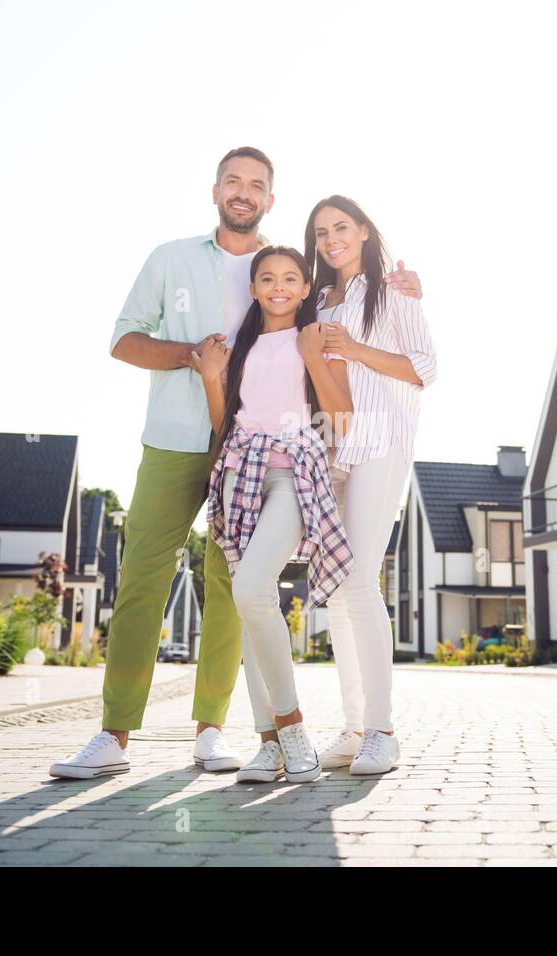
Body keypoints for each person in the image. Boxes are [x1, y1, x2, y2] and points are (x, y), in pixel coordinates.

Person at [49, 150, 421, 779]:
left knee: (240, 589)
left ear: (271, 200)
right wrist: (199, 360)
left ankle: (226, 732)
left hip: (280, 464)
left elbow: (356, 337)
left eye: (257, 185)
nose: (244, 192)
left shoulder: (303, 280)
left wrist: (405, 288)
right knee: (145, 573)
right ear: (215, 189)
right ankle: (116, 736)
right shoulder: (174, 259)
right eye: (234, 182)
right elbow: (127, 342)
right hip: (186, 442)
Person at [193, 246, 353, 784]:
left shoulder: (318, 337)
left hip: (291, 474)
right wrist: (212, 378)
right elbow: (225, 425)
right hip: (240, 474)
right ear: (254, 288)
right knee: (251, 605)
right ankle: (269, 744)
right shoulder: (240, 345)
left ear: (306, 288)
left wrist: (311, 356)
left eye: (290, 278)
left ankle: (291, 725)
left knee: (251, 589)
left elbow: (341, 419)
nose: (279, 286)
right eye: (267, 278)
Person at [304, 195, 438, 775]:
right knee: (336, 587)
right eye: (320, 232)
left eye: (341, 227)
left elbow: (424, 368)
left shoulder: (394, 289)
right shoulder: (317, 297)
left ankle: (383, 729)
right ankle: (355, 727)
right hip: (324, 443)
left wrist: (354, 349)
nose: (331, 239)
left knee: (359, 579)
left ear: (363, 230)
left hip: (380, 441)